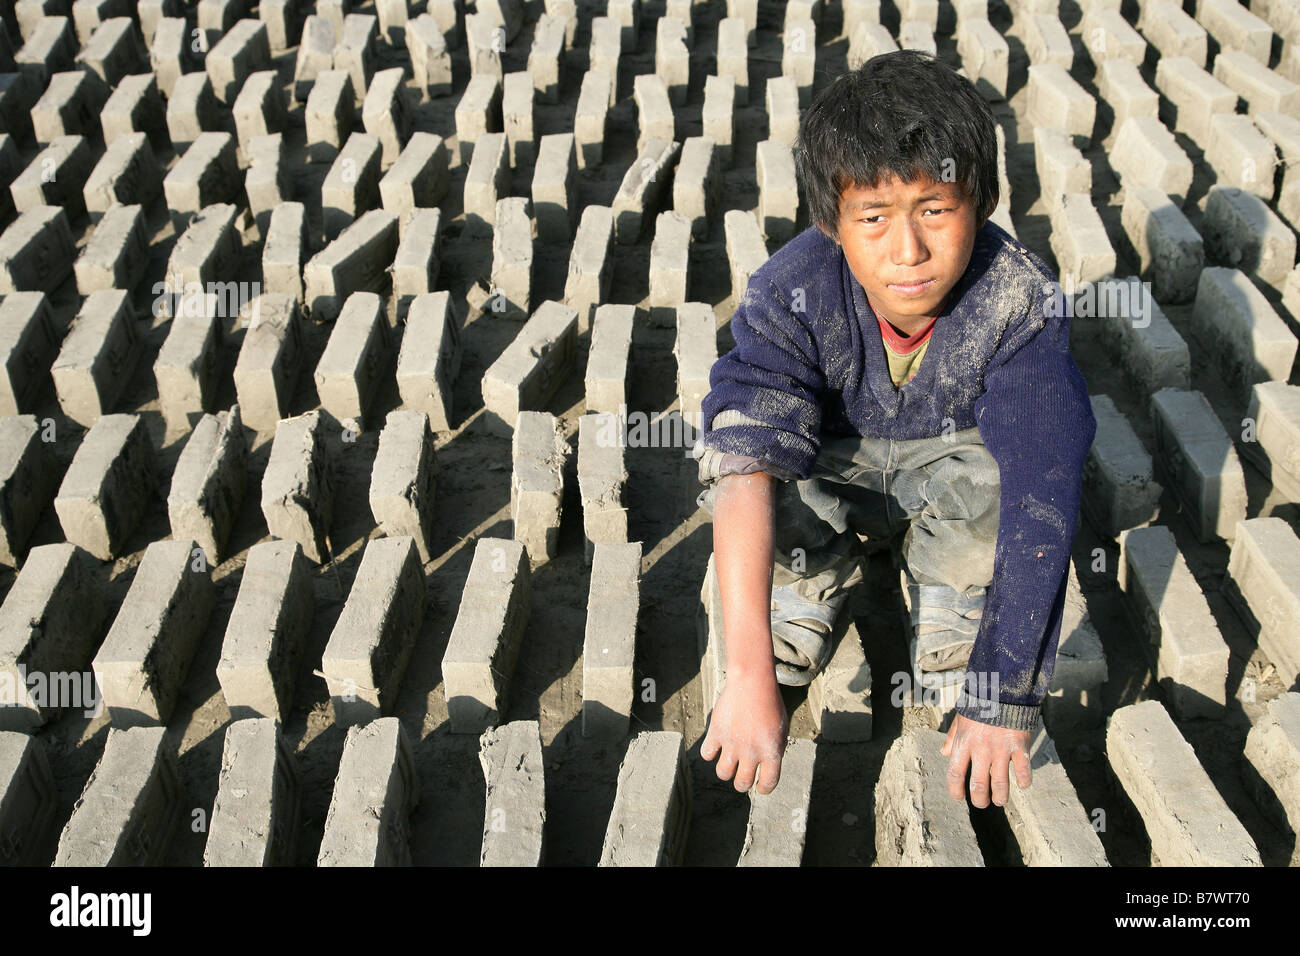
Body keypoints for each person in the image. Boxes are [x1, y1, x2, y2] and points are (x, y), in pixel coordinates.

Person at [692, 50, 1096, 808]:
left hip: (951, 472)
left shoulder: (1016, 302)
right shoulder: (793, 290)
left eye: (935, 210)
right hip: (831, 475)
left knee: (1004, 481)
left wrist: (1003, 691)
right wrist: (744, 678)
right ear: (831, 222)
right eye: (873, 217)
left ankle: (953, 587)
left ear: (979, 202)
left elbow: (1047, 483)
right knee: (741, 462)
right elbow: (745, 464)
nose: (908, 251)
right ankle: (812, 577)